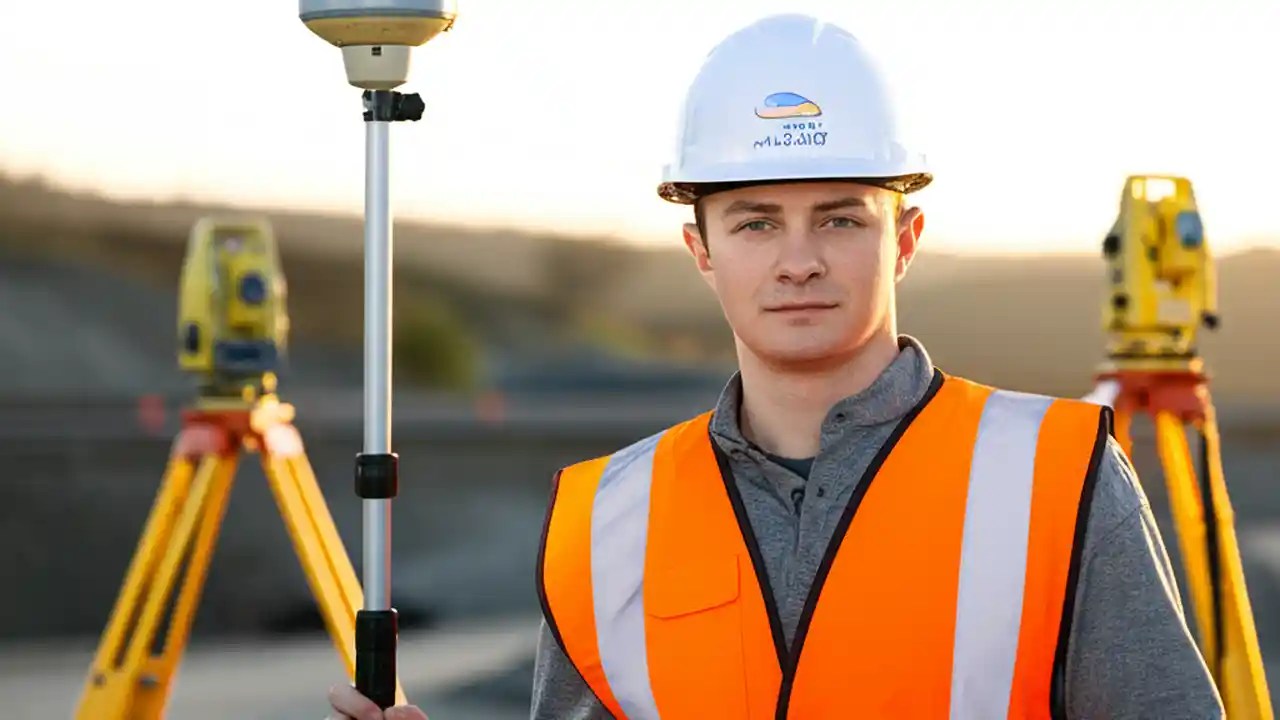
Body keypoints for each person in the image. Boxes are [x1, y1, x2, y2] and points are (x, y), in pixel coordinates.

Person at [329, 12, 1225, 720]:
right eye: (757, 223)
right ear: (701, 249)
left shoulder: (1056, 474)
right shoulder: (608, 520)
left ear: (905, 239)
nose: (799, 261)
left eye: (840, 219)